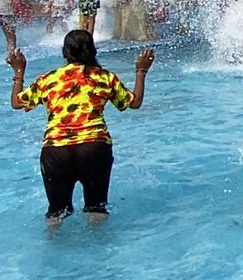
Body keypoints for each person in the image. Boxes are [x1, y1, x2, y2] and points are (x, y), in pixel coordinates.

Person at [8, 30, 154, 222]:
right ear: (93, 51)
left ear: (64, 53)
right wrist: (141, 72)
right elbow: (133, 103)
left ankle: (54, 248)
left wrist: (19, 72)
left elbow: (17, 103)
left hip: (56, 150)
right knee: (96, 210)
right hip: (94, 147)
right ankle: (100, 250)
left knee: (56, 214)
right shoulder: (104, 77)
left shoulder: (50, 79)